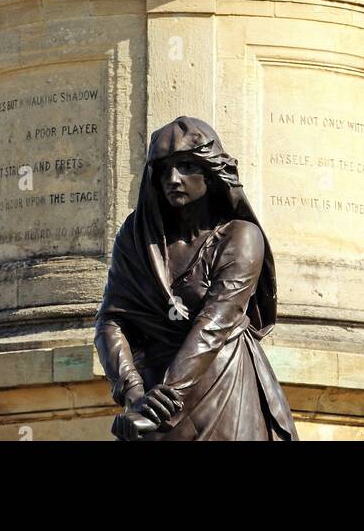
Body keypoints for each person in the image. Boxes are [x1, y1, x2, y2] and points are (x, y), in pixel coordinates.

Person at [94, 116, 298, 442]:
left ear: (211, 172)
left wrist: (165, 399)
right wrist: (132, 392)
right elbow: (111, 320)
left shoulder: (242, 236)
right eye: (164, 169)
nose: (173, 178)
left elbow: (215, 322)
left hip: (222, 383)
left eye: (187, 166)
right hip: (151, 391)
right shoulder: (136, 237)